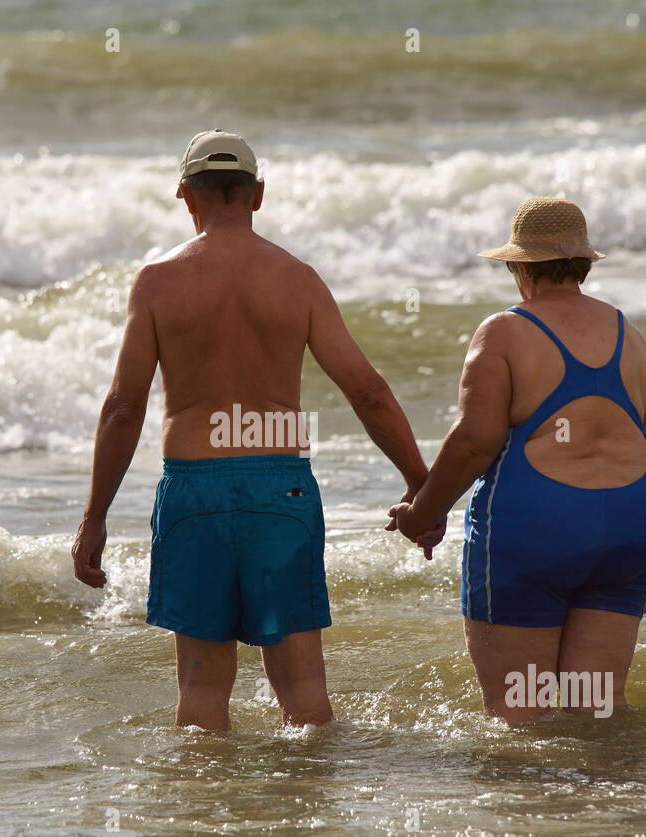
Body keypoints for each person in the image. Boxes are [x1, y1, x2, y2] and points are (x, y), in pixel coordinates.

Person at [73, 129, 436, 731]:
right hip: (281, 491)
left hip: (195, 492)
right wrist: (421, 485)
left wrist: (95, 517)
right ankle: (303, 814)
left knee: (200, 687)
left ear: (186, 195)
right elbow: (367, 390)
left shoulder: (157, 282)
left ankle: (209, 816)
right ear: (257, 194)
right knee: (302, 687)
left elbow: (122, 408)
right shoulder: (298, 279)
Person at [388, 197, 646, 726]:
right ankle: (611, 805)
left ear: (521, 268)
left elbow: (475, 443)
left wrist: (422, 514)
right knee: (595, 709)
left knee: (517, 710)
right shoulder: (627, 334)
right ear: (584, 264)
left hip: (538, 528)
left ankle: (535, 810)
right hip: (631, 529)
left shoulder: (504, 331)